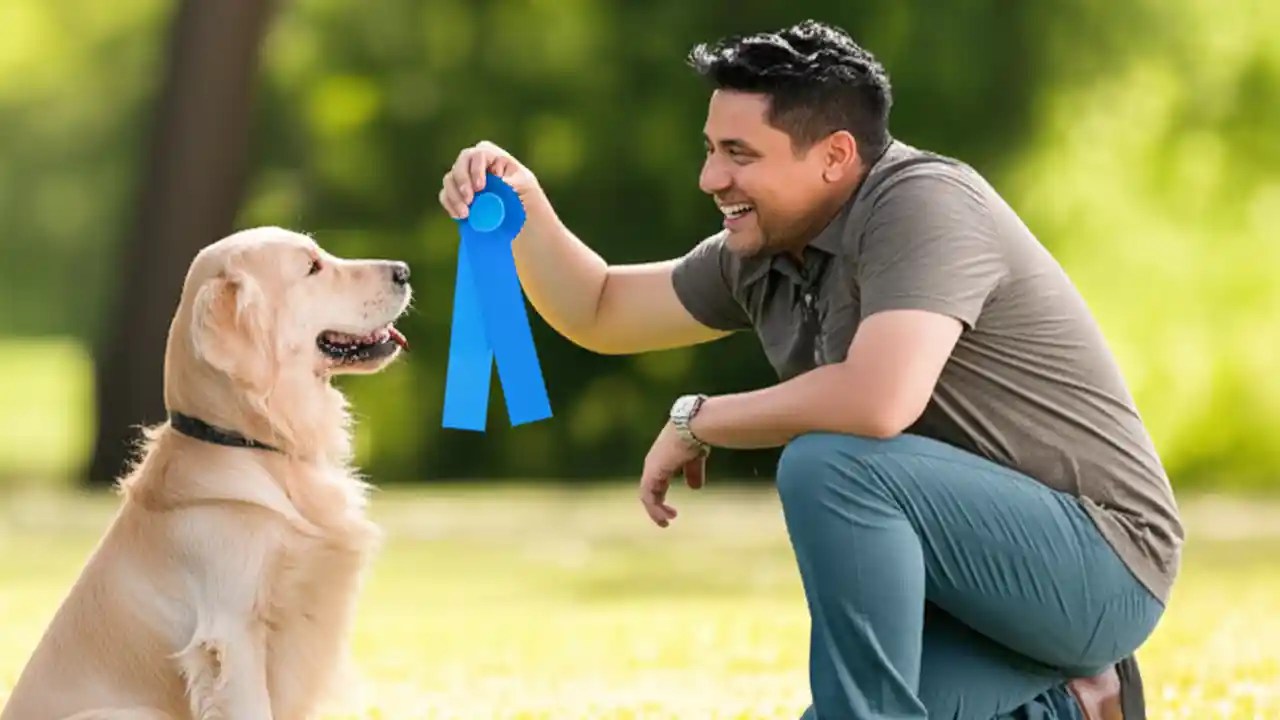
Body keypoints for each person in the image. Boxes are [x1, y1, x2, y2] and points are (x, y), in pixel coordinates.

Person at [437, 19, 1182, 720]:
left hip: (1104, 563)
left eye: (739, 154)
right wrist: (523, 206)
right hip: (985, 586)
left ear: (834, 156)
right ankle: (1080, 699)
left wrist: (699, 419)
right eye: (710, 149)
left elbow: (878, 399)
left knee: (831, 463)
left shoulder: (923, 204)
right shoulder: (764, 251)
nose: (708, 179)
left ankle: (1078, 661)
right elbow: (599, 307)